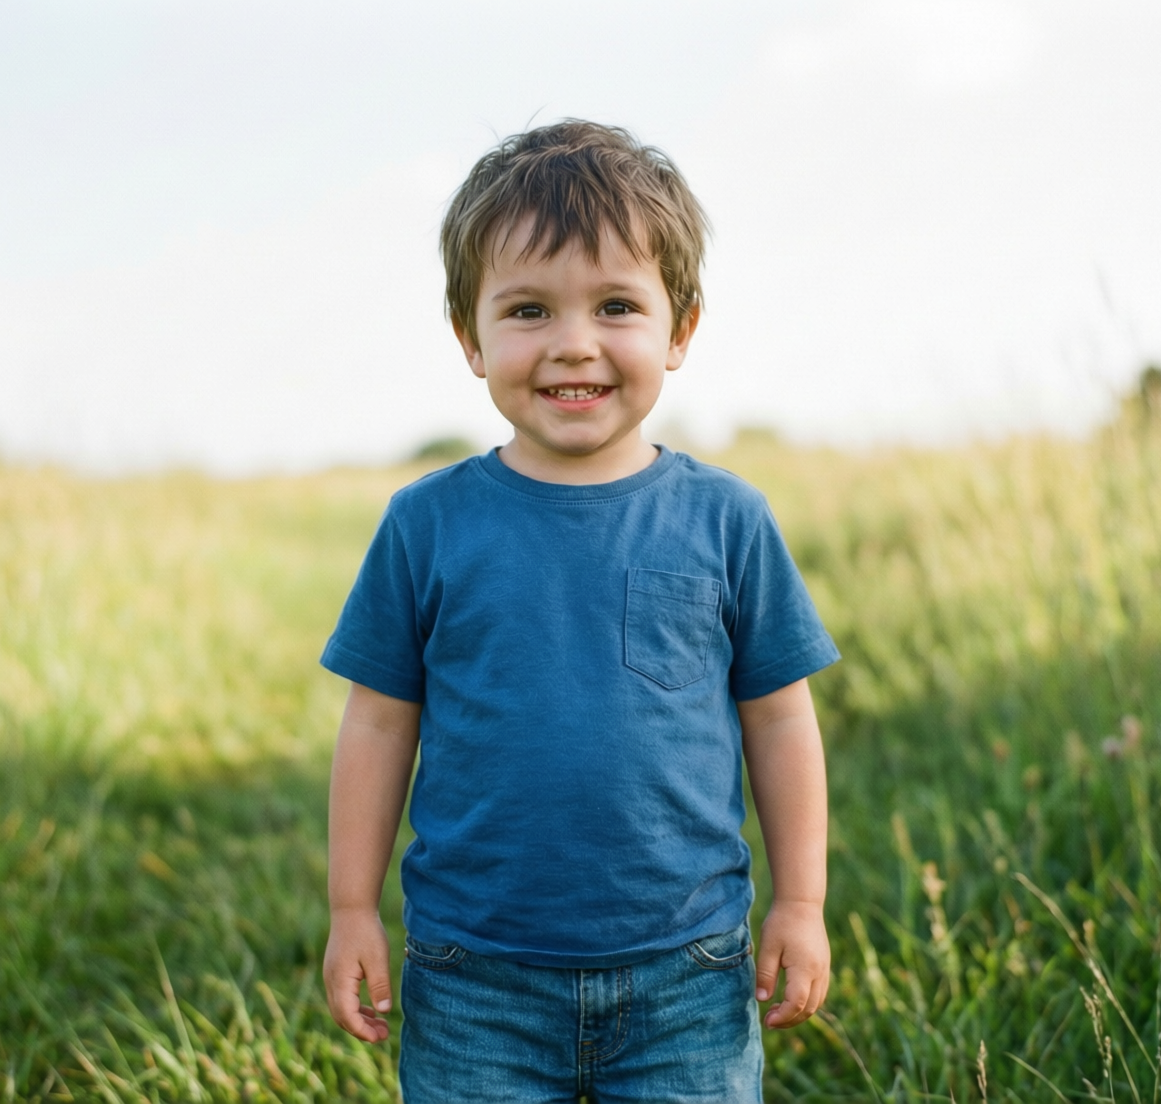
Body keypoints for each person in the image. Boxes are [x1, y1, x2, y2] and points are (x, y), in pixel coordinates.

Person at [320, 119, 840, 1103]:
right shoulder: (425, 524)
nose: (572, 344)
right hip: (473, 977)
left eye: (615, 306)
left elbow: (778, 718)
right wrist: (352, 908)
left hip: (688, 971)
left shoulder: (726, 520)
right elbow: (379, 723)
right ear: (469, 337)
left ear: (679, 330)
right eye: (527, 310)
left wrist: (801, 902)